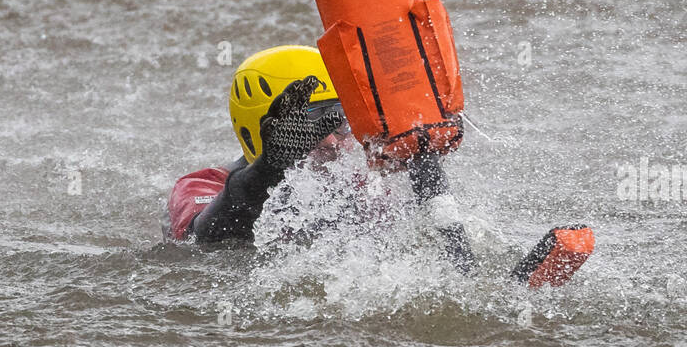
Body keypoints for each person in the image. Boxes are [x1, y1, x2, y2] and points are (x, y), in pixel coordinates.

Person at [165, 43, 468, 257]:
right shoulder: (199, 186)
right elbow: (203, 241)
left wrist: (422, 155)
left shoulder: (362, 187)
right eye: (311, 124)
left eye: (340, 122)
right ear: (263, 128)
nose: (332, 142)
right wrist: (269, 168)